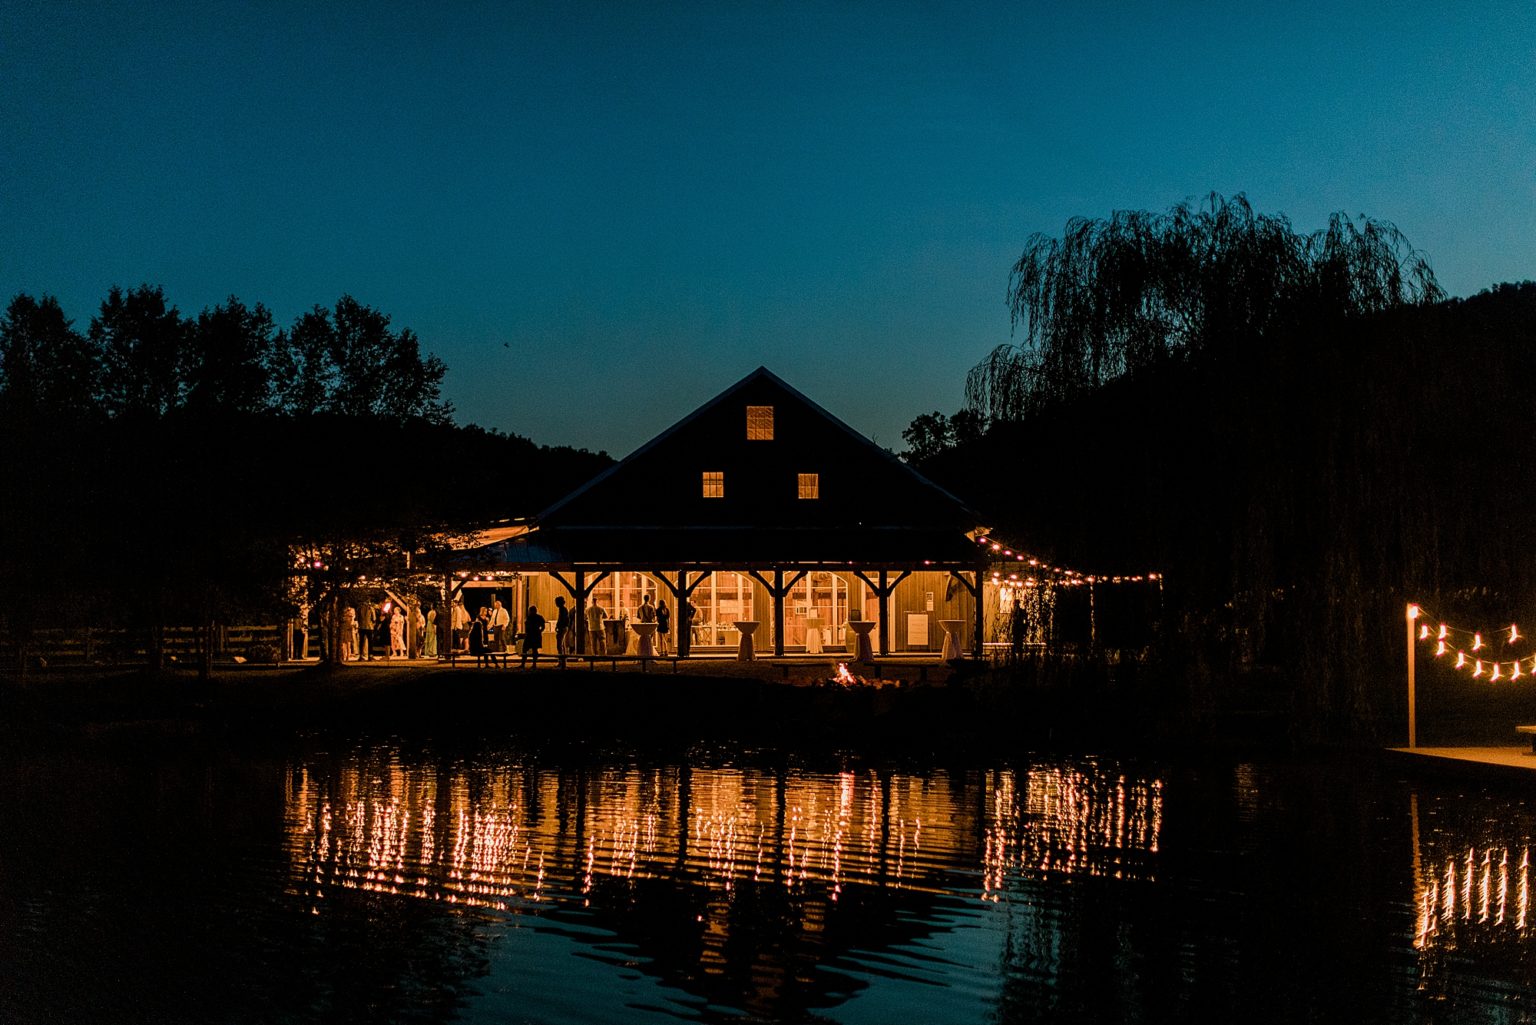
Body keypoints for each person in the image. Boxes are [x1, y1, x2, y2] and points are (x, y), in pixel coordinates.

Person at [554, 595, 571, 668]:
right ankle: (562, 661)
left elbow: (562, 620)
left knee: (559, 645)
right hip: (564, 627)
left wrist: (558, 626)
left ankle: (562, 662)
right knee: (562, 645)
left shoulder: (562, 610)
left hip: (562, 628)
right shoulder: (563, 609)